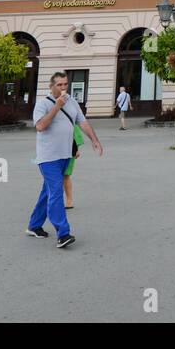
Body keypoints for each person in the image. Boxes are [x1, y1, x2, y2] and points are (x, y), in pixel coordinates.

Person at [27, 71, 101, 248]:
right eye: (59, 85)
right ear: (51, 86)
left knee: (48, 192)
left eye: (65, 84)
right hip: (48, 157)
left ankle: (34, 225)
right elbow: (40, 126)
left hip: (65, 155)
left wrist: (95, 140)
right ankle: (63, 233)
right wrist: (57, 106)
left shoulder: (72, 101)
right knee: (56, 193)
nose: (63, 88)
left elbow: (82, 122)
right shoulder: (43, 104)